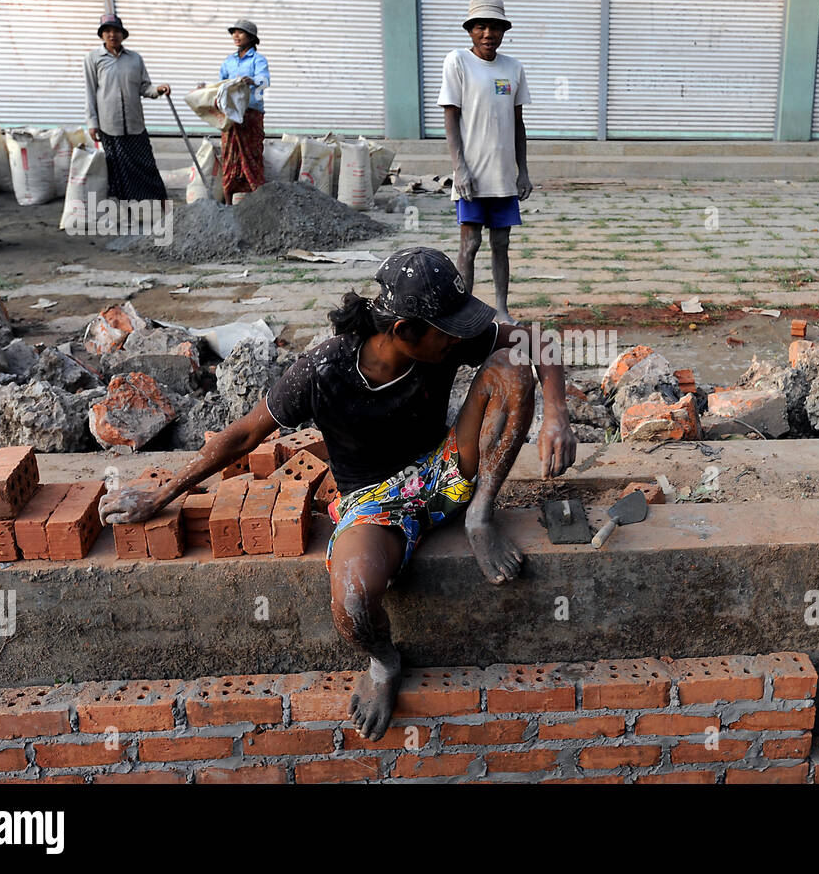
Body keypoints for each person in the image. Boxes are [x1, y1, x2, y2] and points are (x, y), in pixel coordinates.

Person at [98, 247, 577, 740]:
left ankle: (479, 516)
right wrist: (165, 493)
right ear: (404, 331)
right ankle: (385, 664)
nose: (457, 337)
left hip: (445, 469)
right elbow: (244, 435)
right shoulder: (324, 369)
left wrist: (557, 414)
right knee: (351, 600)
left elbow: (538, 340)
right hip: (372, 502)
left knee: (511, 363)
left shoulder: (444, 338)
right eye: (446, 330)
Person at [439, 0, 532, 322]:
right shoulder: (458, 62)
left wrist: (523, 171)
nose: (488, 34)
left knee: (501, 243)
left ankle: (502, 311)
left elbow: (518, 123)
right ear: (469, 30)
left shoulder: (513, 68)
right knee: (470, 243)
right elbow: (451, 116)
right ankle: (464, 312)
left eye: (494, 27)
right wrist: (459, 168)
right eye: (480, 26)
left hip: (503, 174)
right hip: (472, 175)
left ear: (504, 30)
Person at [83, 13, 170, 202]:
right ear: (102, 35)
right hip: (109, 126)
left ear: (123, 35)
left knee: (147, 166)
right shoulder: (93, 58)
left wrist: (158, 90)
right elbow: (90, 91)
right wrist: (92, 122)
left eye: (116, 31)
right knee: (119, 171)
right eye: (107, 31)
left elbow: (144, 87)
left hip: (135, 124)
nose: (112, 35)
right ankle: (126, 209)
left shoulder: (135, 59)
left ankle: (161, 204)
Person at [216, 19, 269, 204]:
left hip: (251, 114)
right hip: (231, 116)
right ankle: (229, 201)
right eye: (234, 32)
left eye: (241, 32)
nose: (236, 36)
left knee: (252, 156)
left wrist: (252, 81)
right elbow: (221, 84)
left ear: (252, 37)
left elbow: (264, 81)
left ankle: (257, 200)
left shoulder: (258, 60)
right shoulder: (229, 61)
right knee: (229, 156)